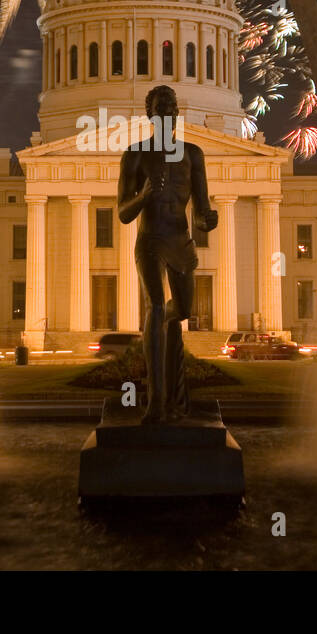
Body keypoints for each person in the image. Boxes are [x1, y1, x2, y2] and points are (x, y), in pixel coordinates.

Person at [117, 85, 218, 424]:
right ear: (151, 114)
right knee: (157, 307)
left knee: (182, 311)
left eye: (171, 107)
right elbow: (123, 213)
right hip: (150, 239)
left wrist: (208, 219)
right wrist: (144, 195)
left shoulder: (193, 154)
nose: (166, 112)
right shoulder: (135, 153)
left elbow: (202, 208)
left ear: (177, 113)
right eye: (160, 107)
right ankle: (156, 403)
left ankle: (158, 334)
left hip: (180, 239)